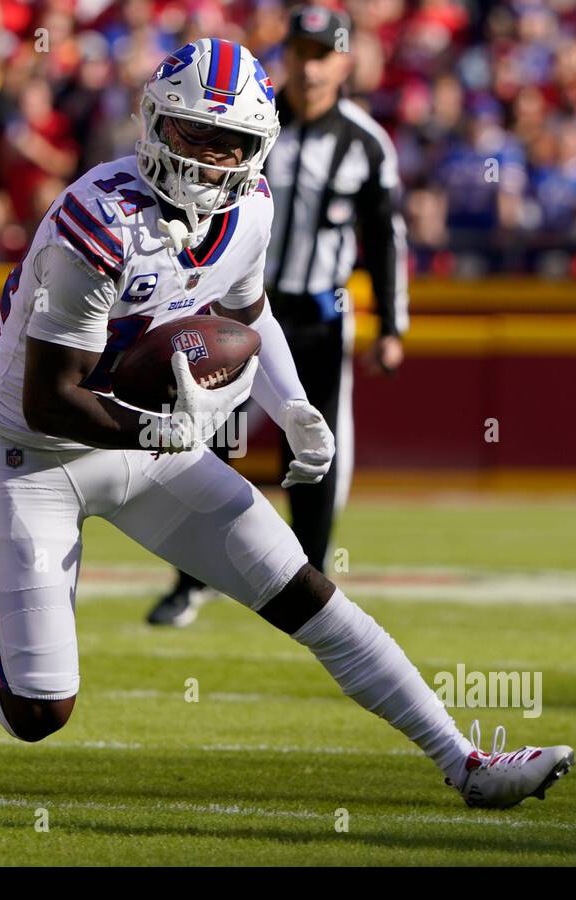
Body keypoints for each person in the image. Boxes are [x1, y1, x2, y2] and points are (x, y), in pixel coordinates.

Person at [0, 38, 572, 809]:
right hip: (37, 454)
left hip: (151, 445)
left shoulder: (251, 210)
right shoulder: (98, 223)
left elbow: (248, 315)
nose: (213, 160)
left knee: (307, 595)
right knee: (38, 711)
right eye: (195, 135)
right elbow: (48, 397)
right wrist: (159, 431)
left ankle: (468, 764)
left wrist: (291, 407)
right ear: (156, 125)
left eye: (233, 143)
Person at [145, 8, 410, 627]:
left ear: (345, 61)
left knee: (314, 444)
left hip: (317, 314)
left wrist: (393, 326)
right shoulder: (249, 122)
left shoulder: (366, 143)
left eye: (322, 53)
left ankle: (310, 585)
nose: (310, 65)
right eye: (300, 50)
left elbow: (385, 237)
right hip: (231, 310)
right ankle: (191, 581)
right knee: (208, 440)